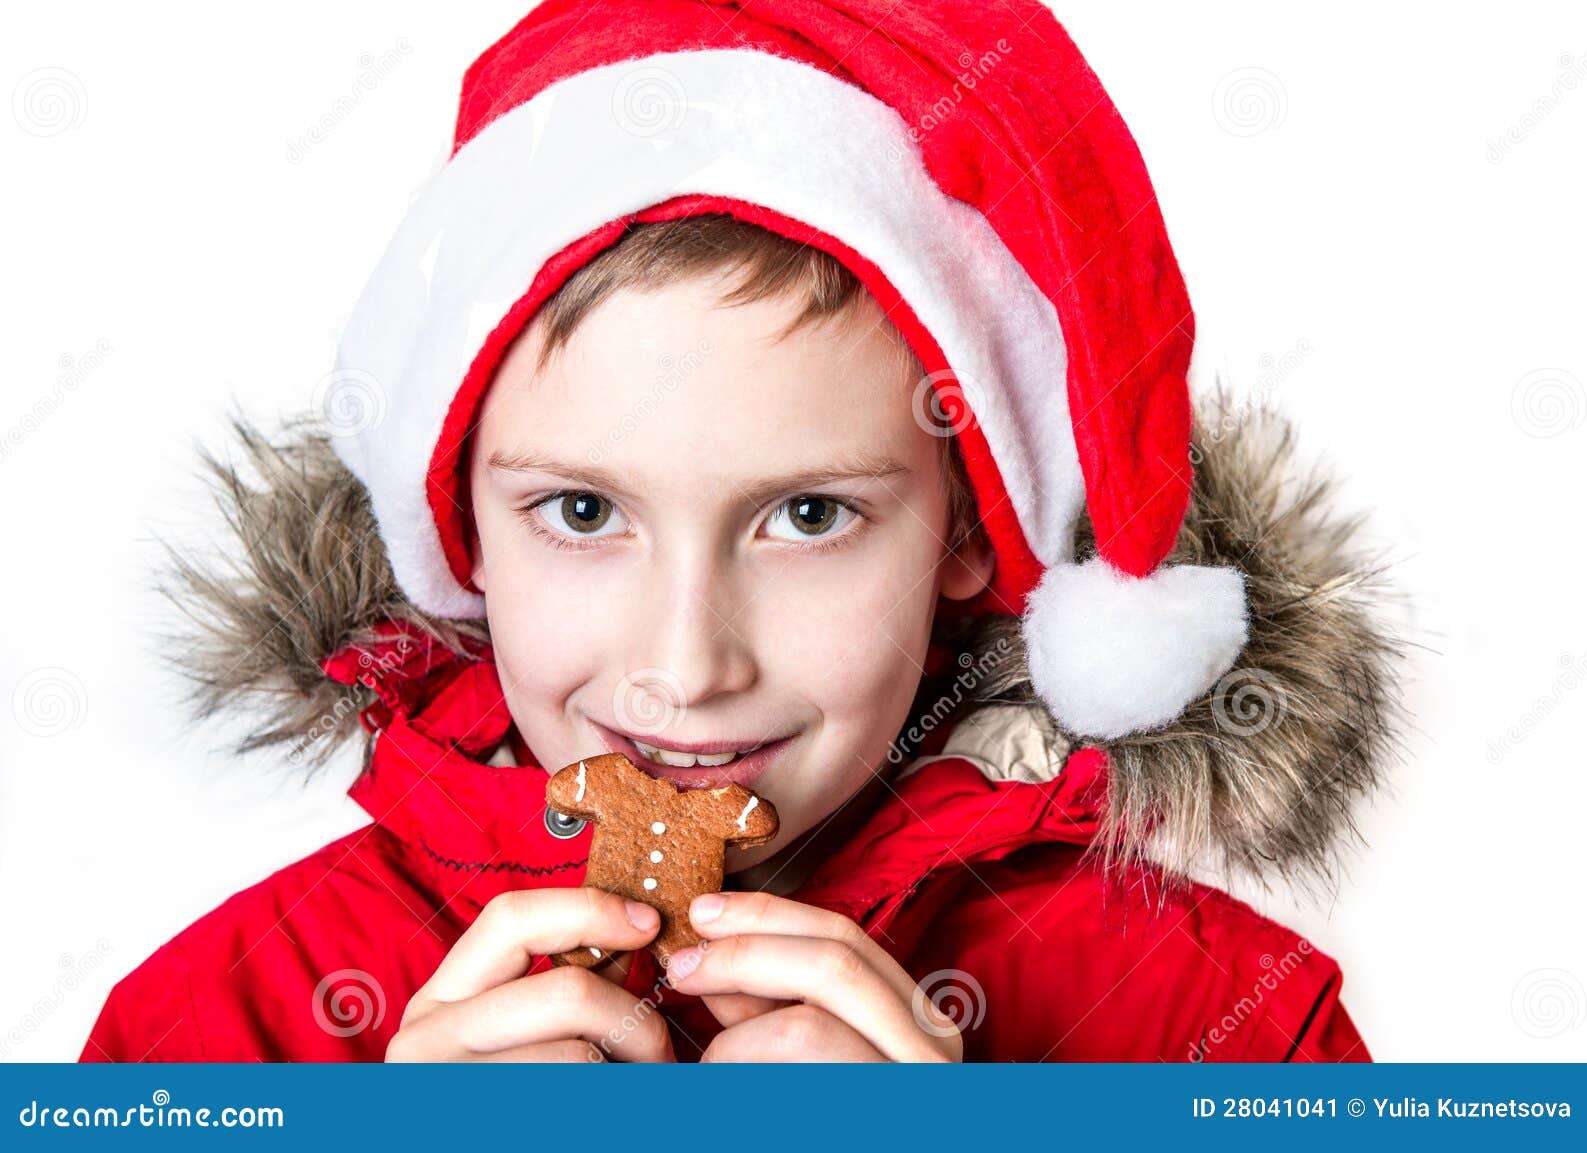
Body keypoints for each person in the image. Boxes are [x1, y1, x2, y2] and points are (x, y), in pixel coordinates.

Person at [79, 0, 1400, 1063]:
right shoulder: (211, 1037)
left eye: (807, 515)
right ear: (460, 533)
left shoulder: (1222, 1031)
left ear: (967, 532)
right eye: (585, 512)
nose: (691, 661)